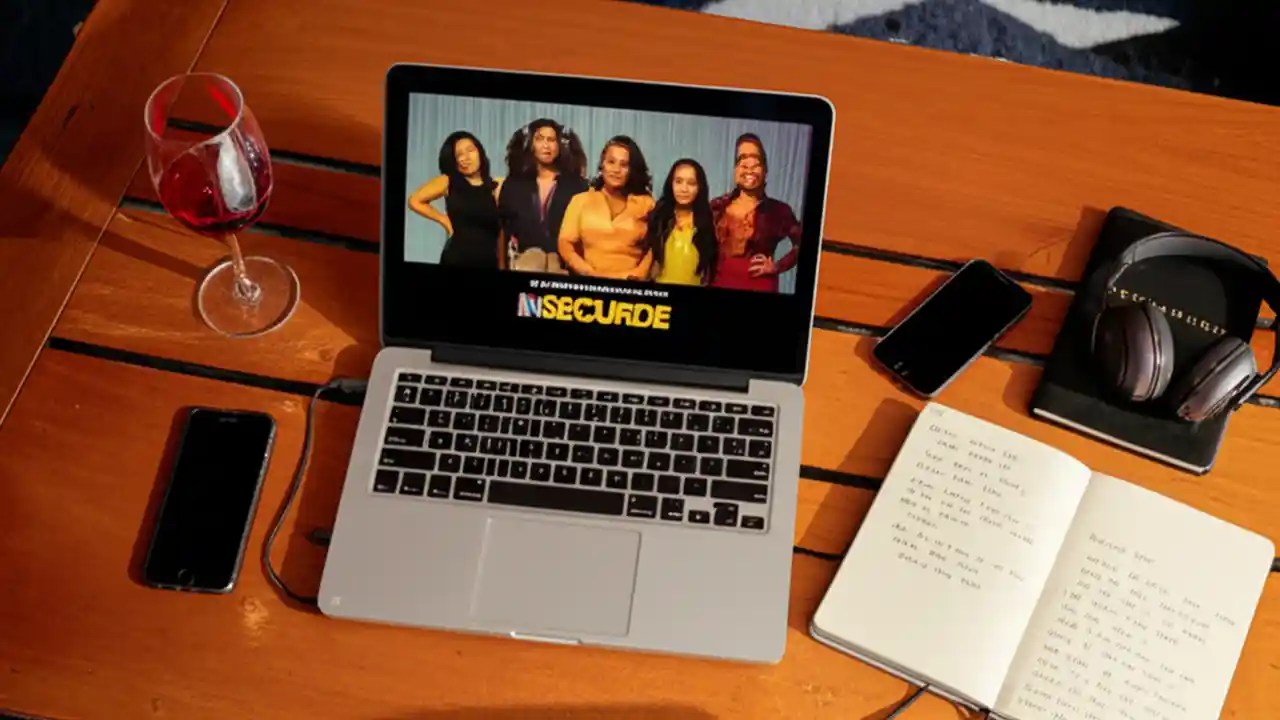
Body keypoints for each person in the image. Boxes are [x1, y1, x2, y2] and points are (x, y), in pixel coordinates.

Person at [709, 133, 802, 293]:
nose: (749, 167)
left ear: (765, 170)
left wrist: (777, 266)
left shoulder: (779, 211)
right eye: (742, 161)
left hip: (760, 288)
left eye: (755, 161)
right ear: (736, 170)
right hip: (719, 284)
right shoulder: (717, 206)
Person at [558, 135, 656, 280]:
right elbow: (565, 243)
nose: (616, 170)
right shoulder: (581, 200)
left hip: (631, 284)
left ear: (632, 170)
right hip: (589, 281)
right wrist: (587, 271)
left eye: (624, 165)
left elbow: (654, 249)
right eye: (611, 162)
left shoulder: (646, 204)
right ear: (602, 165)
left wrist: (638, 274)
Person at [497, 118, 589, 272]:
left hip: (564, 267)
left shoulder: (577, 185)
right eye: (539, 139)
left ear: (560, 145)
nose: (546, 145)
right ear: (530, 144)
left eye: (551, 140)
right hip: (523, 263)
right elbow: (502, 231)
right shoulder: (513, 184)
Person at [407, 131, 502, 268]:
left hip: (489, 261)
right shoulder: (447, 181)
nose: (466, 157)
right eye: (459, 155)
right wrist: (443, 219)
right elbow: (414, 200)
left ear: (480, 152)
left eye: (470, 150)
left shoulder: (496, 186)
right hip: (457, 259)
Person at [647, 158, 717, 286]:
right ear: (671, 184)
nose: (684, 189)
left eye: (691, 183)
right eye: (678, 181)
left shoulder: (708, 223)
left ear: (699, 187)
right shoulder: (658, 218)